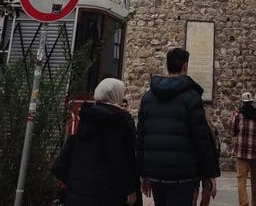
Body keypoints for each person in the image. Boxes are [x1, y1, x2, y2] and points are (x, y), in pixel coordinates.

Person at [137, 47, 219, 206]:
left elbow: (140, 139)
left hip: (156, 174)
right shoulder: (191, 97)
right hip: (183, 177)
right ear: (185, 66)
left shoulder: (147, 98)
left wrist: (143, 174)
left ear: (167, 66)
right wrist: (210, 174)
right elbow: (201, 140)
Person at [61, 77, 139, 206]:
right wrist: (130, 188)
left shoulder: (86, 116)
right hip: (106, 192)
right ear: (115, 95)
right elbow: (122, 159)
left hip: (78, 188)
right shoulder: (119, 120)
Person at [229, 91, 256, 206]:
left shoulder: (237, 114)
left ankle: (244, 203)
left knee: (241, 180)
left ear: (243, 101)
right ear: (252, 101)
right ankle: (255, 204)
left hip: (241, 152)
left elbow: (232, 131)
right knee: (255, 180)